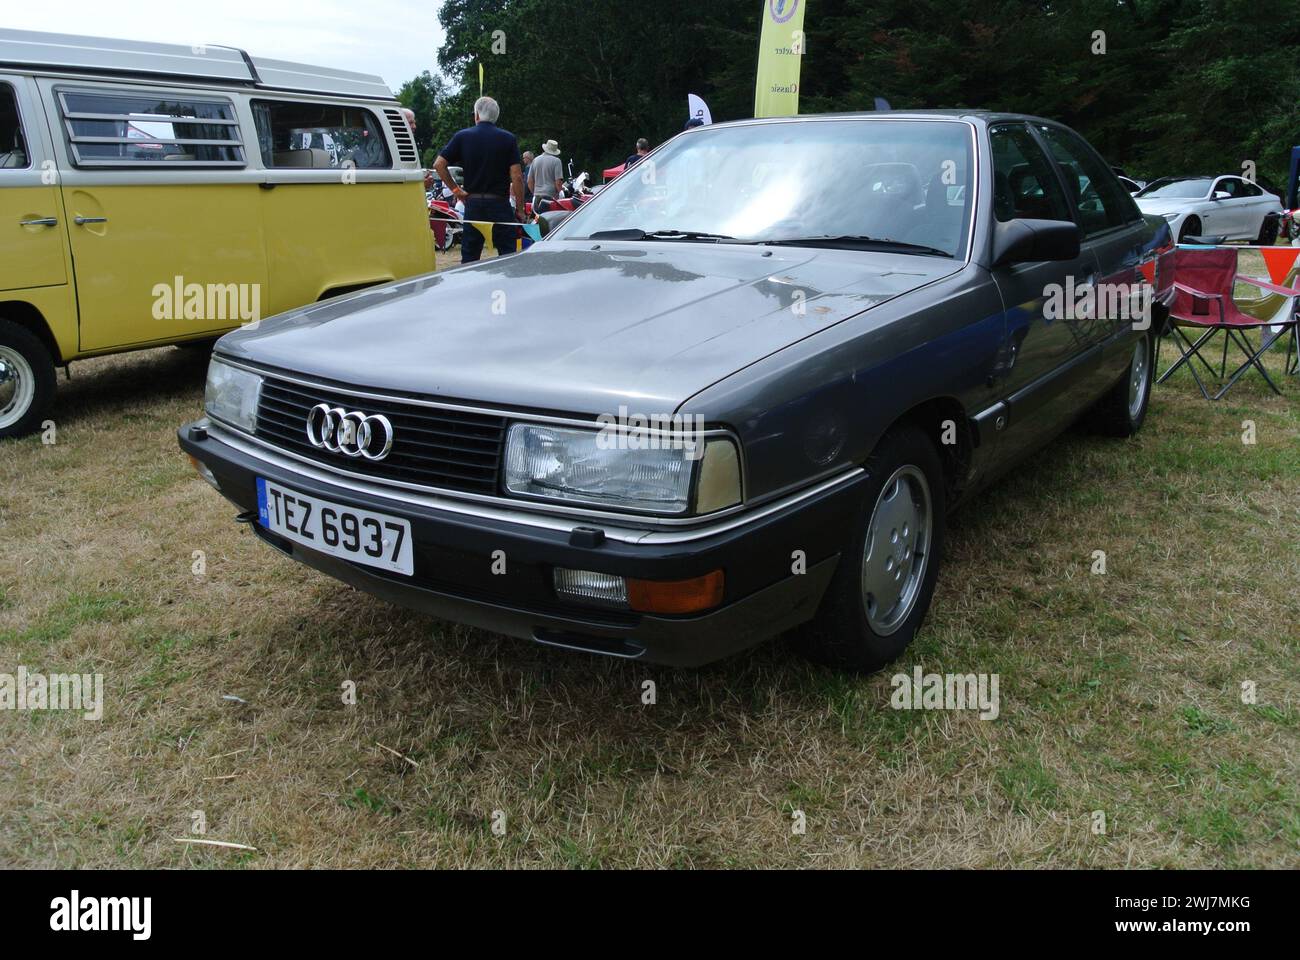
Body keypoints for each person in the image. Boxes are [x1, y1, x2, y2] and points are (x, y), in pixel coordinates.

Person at [434, 97, 525, 263]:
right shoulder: (508, 139)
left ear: (476, 115)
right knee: (508, 255)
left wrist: (456, 190)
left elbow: (439, 165)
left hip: (473, 203)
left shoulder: (462, 136)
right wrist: (520, 209)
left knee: (470, 257)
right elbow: (517, 176)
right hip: (499, 204)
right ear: (496, 116)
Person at [529, 140, 565, 211]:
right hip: (551, 197)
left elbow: (530, 181)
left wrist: (535, 192)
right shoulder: (556, 161)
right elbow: (558, 182)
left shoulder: (535, 160)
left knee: (539, 219)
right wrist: (562, 196)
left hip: (537, 197)